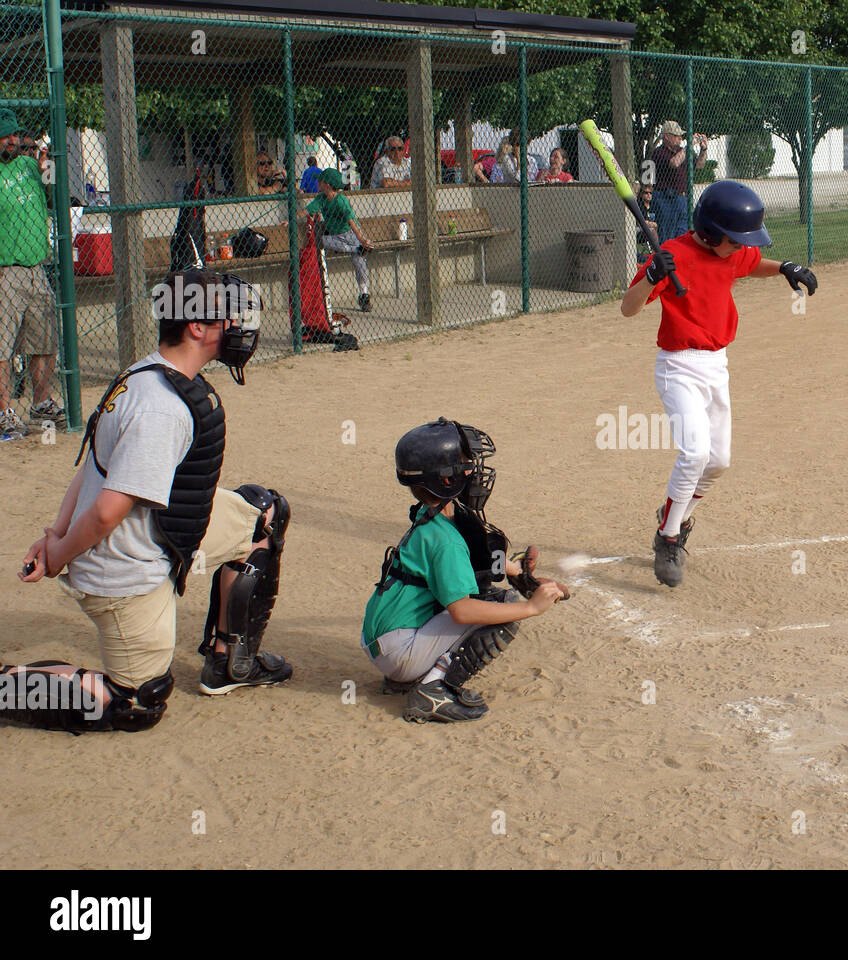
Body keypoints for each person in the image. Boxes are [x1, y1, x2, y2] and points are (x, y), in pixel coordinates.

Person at [8, 269, 293, 733]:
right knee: (139, 702)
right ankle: (7, 686)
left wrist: (55, 534)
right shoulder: (161, 407)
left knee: (263, 514)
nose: (238, 326)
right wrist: (57, 554)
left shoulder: (147, 369)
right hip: (122, 571)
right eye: (226, 317)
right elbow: (105, 511)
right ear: (196, 328)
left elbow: (90, 467)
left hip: (156, 532)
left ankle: (230, 663)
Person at [620, 181, 817, 588]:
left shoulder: (728, 252)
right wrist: (650, 276)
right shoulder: (671, 255)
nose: (742, 248)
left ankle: (674, 514)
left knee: (718, 462)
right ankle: (668, 537)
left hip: (716, 365)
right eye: (736, 240)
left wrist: (783, 267)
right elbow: (628, 308)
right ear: (710, 232)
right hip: (679, 367)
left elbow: (749, 263)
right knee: (693, 453)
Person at [362, 418, 567, 723]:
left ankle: (404, 677)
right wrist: (530, 607)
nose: (474, 470)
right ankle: (434, 687)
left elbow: (478, 555)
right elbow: (461, 612)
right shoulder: (446, 541)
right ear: (445, 479)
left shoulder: (434, 514)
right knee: (505, 608)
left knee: (488, 595)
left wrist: (516, 572)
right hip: (398, 650)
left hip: (384, 640)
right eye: (466, 464)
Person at [0, 108, 63, 439]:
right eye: (5, 136)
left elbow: (52, 188)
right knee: (2, 348)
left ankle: (40, 404)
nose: (12, 141)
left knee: (45, 341)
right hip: (5, 270)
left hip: (37, 267)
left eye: (14, 135)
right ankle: (3, 413)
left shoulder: (28, 165)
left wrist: (45, 165)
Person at [304, 167, 374, 312]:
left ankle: (364, 293)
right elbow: (307, 210)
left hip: (351, 233)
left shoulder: (341, 199)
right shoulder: (321, 199)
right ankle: (357, 249)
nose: (318, 182)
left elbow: (351, 220)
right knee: (320, 241)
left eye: (321, 180)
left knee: (359, 261)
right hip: (336, 237)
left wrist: (361, 238)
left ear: (327, 185)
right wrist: (291, 219)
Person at [649, 121, 707, 242]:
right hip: (665, 199)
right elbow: (674, 163)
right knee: (667, 237)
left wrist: (703, 149)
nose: (680, 138)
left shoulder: (682, 151)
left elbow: (700, 165)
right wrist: (689, 146)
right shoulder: (659, 152)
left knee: (684, 235)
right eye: (676, 136)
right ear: (666, 136)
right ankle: (666, 259)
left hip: (682, 199)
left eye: (681, 136)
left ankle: (680, 259)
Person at [635, 181, 659, 263]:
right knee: (652, 229)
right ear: (642, 194)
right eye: (646, 193)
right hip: (639, 229)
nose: (649, 195)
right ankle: (657, 251)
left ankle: (657, 252)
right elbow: (642, 222)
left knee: (653, 229)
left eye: (650, 193)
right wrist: (653, 224)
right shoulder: (640, 205)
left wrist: (652, 224)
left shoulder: (654, 205)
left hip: (649, 229)